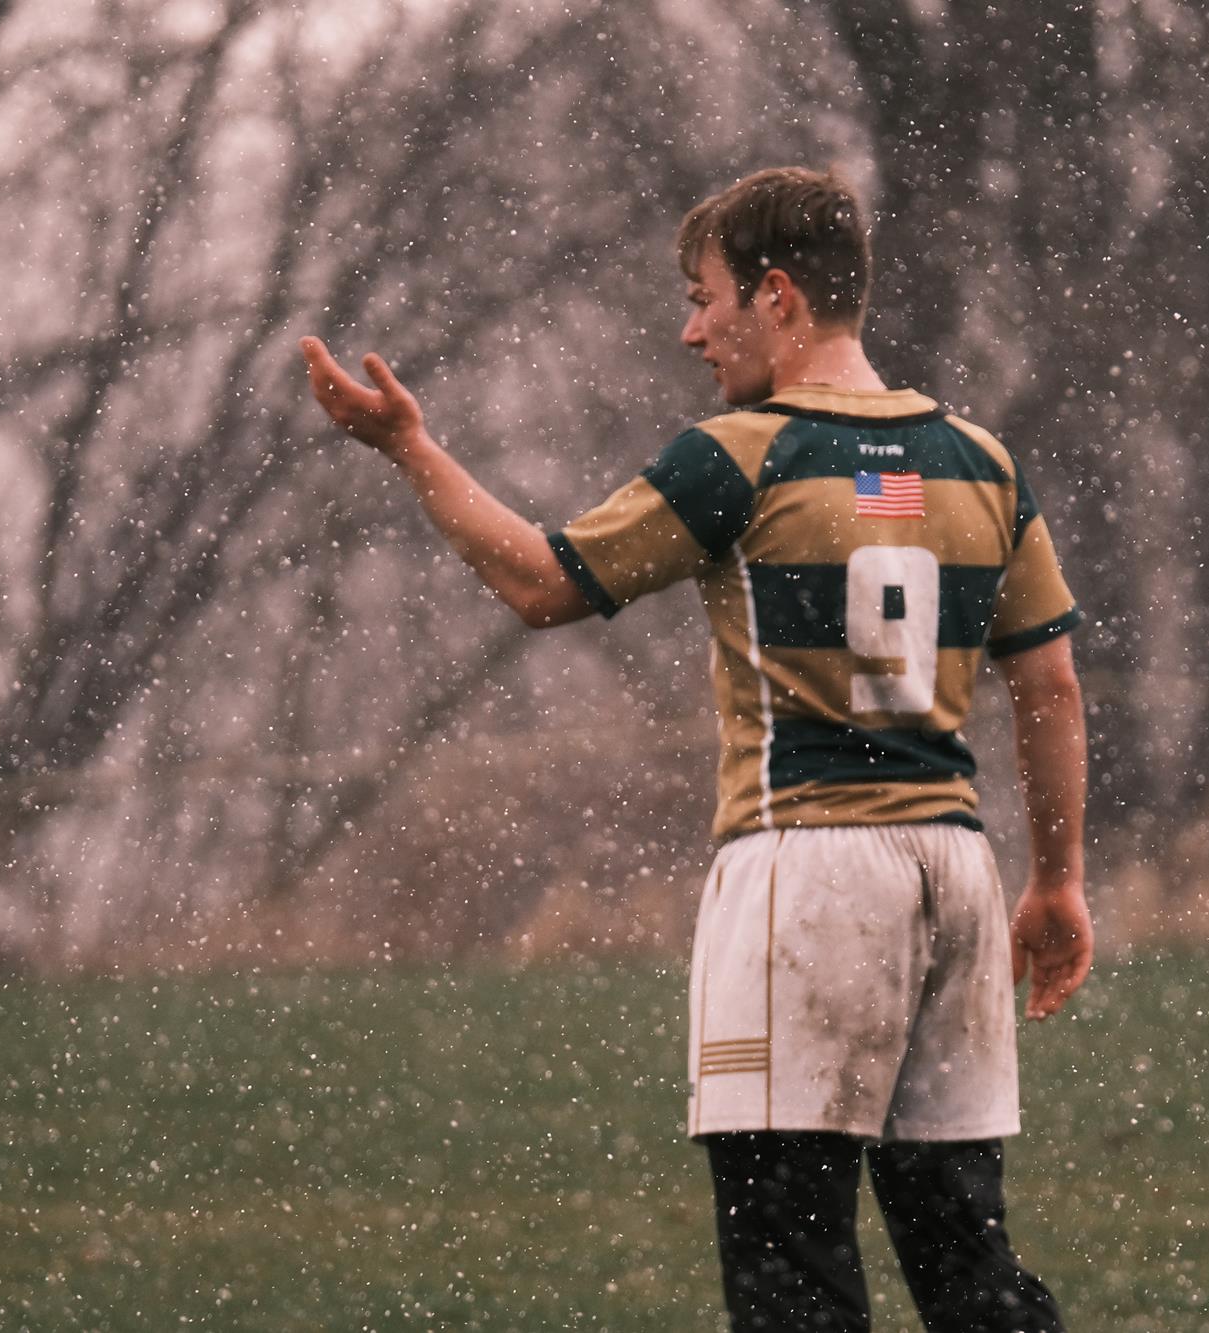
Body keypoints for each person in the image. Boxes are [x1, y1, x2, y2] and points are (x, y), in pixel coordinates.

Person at [302, 166, 1092, 1332]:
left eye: (702, 297)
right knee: (964, 1262)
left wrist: (409, 446)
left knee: (788, 1264)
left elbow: (542, 580)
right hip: (957, 872)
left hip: (805, 878)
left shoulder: (742, 455)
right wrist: (1058, 880)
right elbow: (1050, 685)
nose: (691, 331)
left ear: (776, 297)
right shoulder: (980, 461)